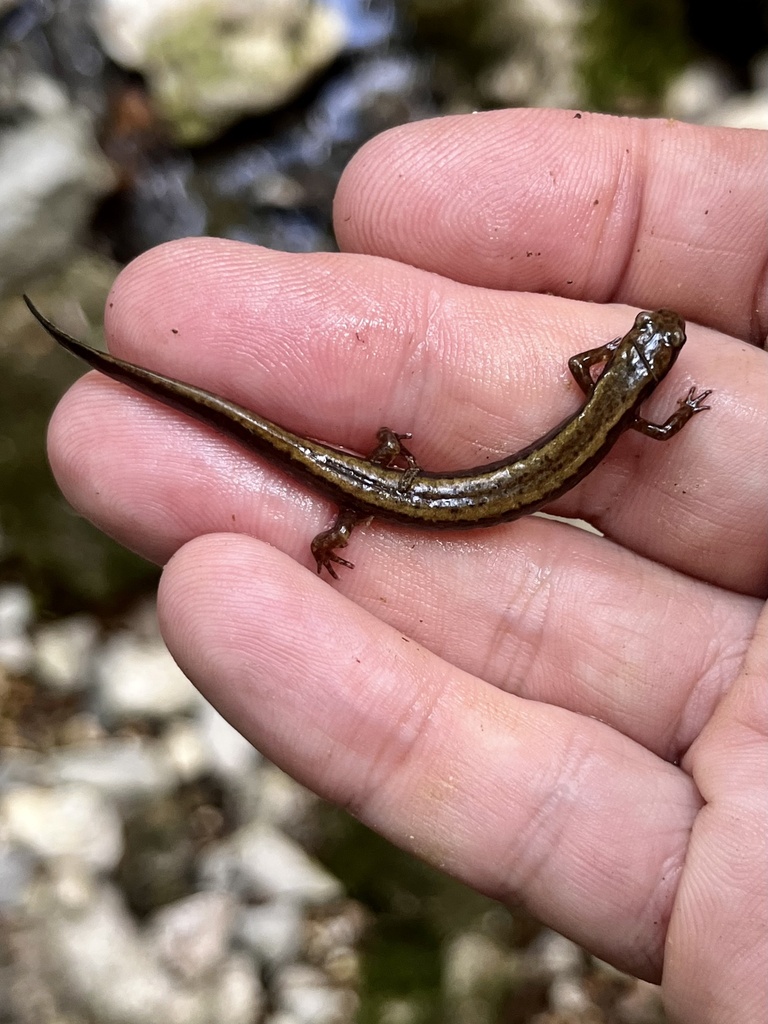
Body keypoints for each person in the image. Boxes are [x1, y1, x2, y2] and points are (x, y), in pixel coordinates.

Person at [48, 108, 767, 1022]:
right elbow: (655, 425)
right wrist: (675, 410)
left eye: (651, 358)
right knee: (318, 477)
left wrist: (612, 366)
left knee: (345, 487)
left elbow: (595, 371)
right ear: (645, 375)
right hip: (397, 491)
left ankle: (341, 506)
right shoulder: (637, 415)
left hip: (396, 486)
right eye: (650, 353)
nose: (651, 357)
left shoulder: (608, 387)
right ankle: (326, 501)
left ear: (633, 370)